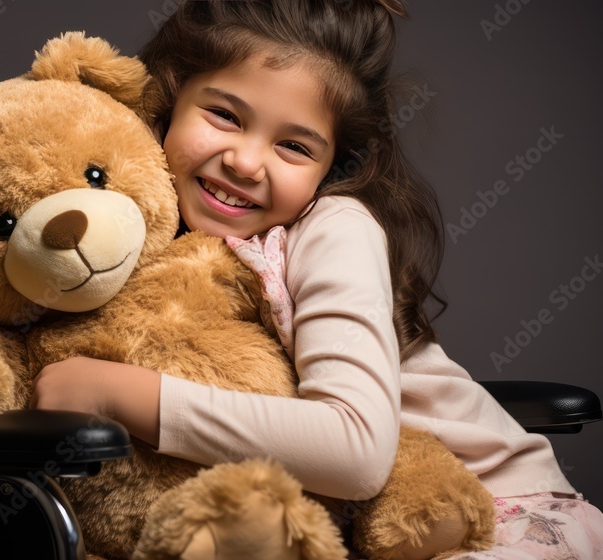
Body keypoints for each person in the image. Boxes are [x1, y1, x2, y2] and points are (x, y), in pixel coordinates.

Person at [30, 1, 603, 557]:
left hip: (488, 515)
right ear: (168, 98)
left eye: (294, 147)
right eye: (224, 115)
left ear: (337, 168)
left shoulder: (335, 228)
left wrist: (118, 393)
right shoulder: (124, 225)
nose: (247, 163)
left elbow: (355, 452)